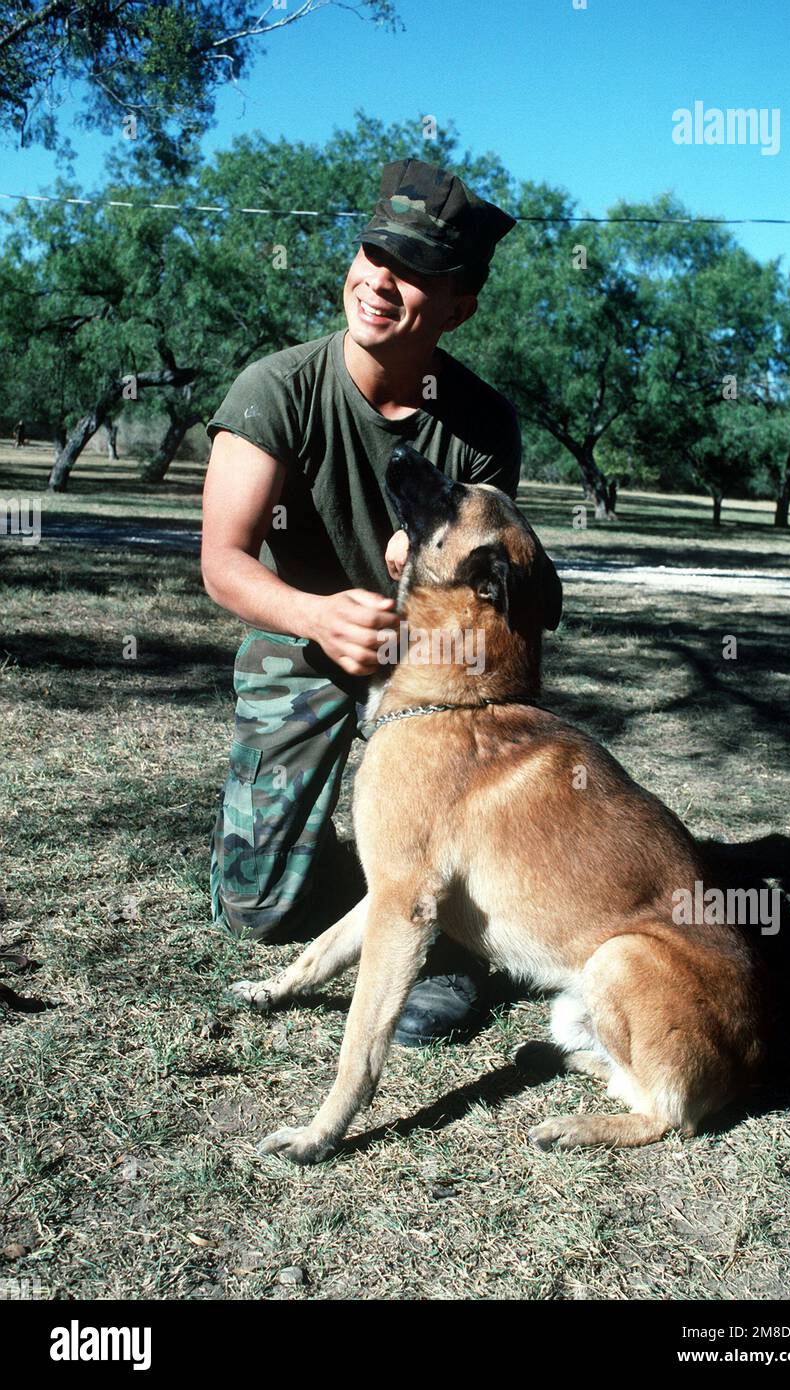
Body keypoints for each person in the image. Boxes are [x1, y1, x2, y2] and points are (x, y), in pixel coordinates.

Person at [202, 156, 561, 1044]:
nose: (380, 282)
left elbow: (488, 592)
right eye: (374, 254)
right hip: (304, 637)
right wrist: (317, 614)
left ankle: (452, 942)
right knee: (256, 907)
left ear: (458, 305)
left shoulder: (482, 422)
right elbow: (223, 562)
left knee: (480, 757)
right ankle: (368, 874)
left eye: (415, 273)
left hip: (435, 659)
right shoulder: (276, 389)